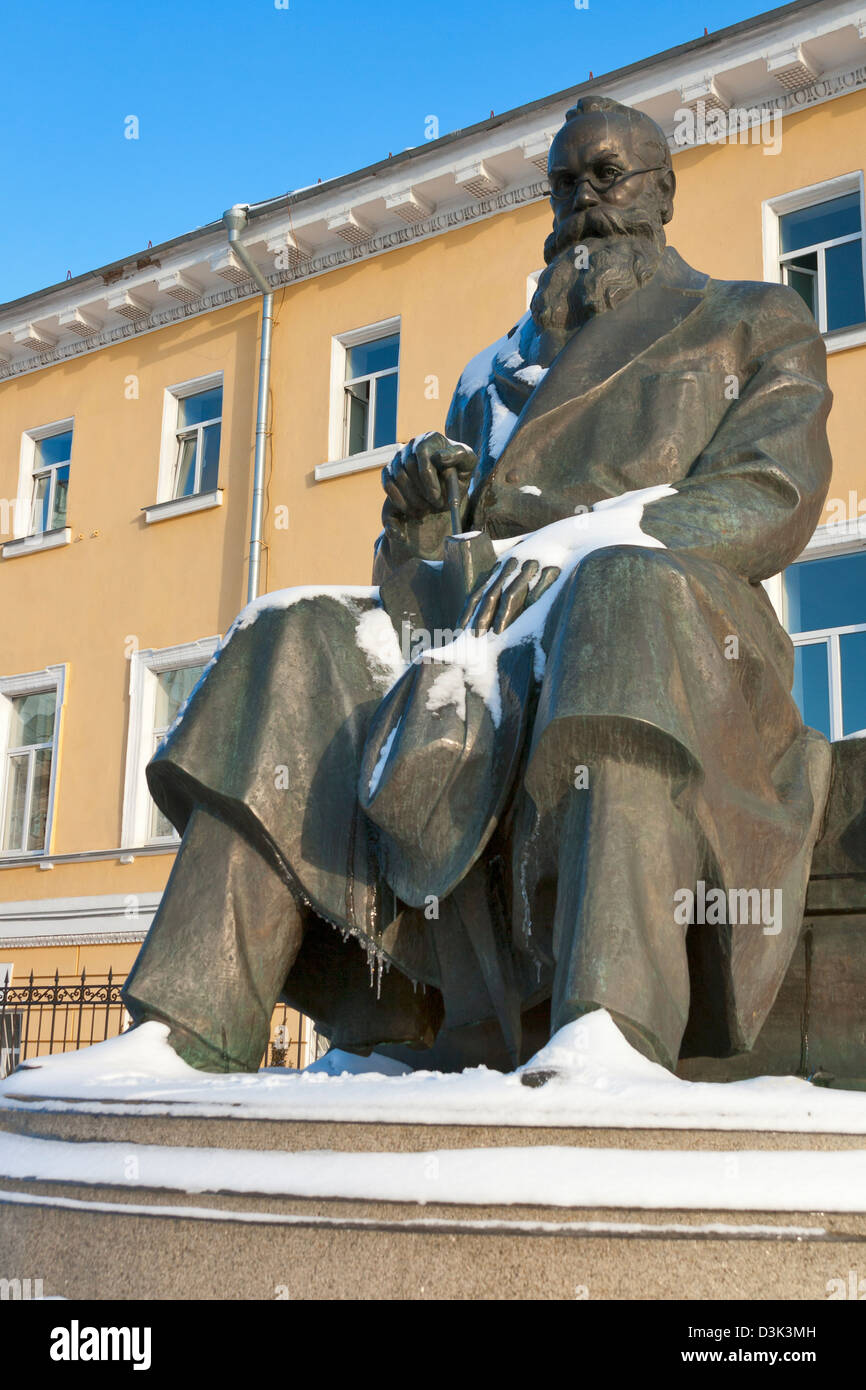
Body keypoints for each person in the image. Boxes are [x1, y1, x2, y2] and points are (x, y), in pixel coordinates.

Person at [123, 96, 832, 1075]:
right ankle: (184, 1029)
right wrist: (418, 536)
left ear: (662, 191)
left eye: (609, 174)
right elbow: (436, 587)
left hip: (677, 632)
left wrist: (583, 546)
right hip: (484, 652)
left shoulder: (748, 319)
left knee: (616, 593)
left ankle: (607, 1026)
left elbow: (769, 493)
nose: (585, 198)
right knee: (291, 633)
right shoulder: (489, 373)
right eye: (565, 181)